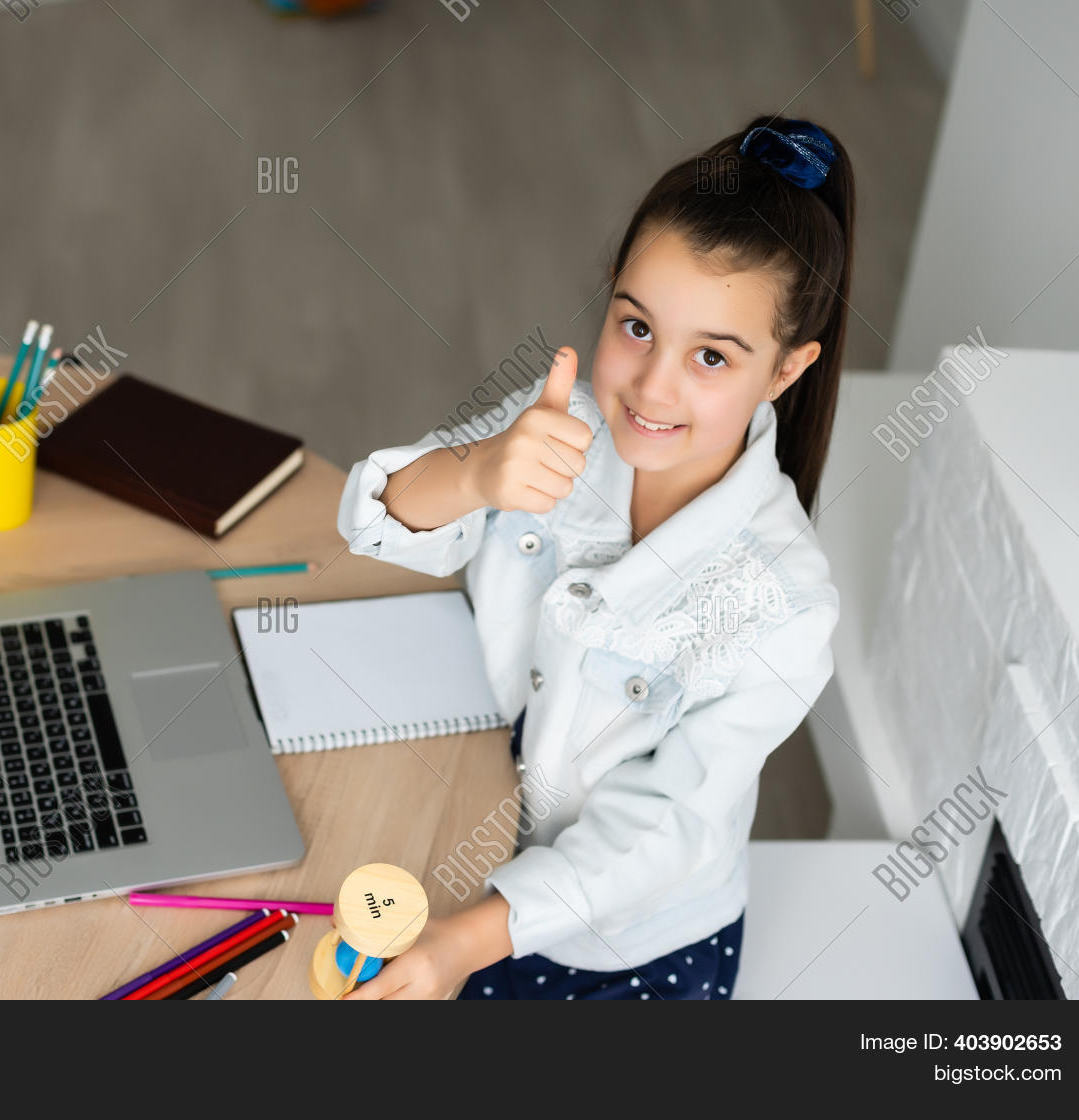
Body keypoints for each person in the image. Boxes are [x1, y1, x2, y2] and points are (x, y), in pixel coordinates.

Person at [334, 117, 854, 999]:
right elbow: (374, 522)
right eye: (637, 326)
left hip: (624, 946)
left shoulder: (788, 603)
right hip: (470, 841)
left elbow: (664, 833)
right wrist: (475, 473)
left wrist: (466, 942)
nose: (653, 386)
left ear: (784, 371)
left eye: (712, 356)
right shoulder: (555, 423)